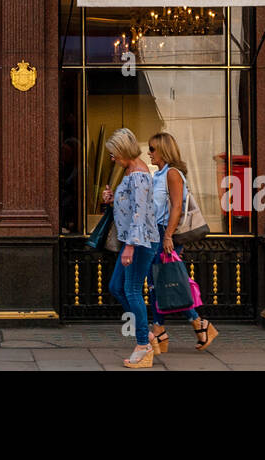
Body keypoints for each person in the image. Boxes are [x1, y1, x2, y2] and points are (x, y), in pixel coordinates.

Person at [146, 131, 217, 354]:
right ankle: (196, 324)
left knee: (165, 281)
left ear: (163, 150)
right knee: (159, 282)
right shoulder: (157, 175)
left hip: (166, 234)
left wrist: (168, 236)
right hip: (155, 234)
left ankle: (161, 330)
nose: (149, 153)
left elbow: (177, 207)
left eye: (152, 149)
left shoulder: (173, 174)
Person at [100, 128, 159, 368]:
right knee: (116, 287)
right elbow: (133, 204)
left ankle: (144, 345)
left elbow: (140, 213)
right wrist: (114, 199)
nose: (112, 158)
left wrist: (130, 247)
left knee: (132, 290)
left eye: (113, 153)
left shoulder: (139, 175)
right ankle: (147, 334)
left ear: (123, 150)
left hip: (140, 242)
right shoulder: (130, 172)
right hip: (134, 240)